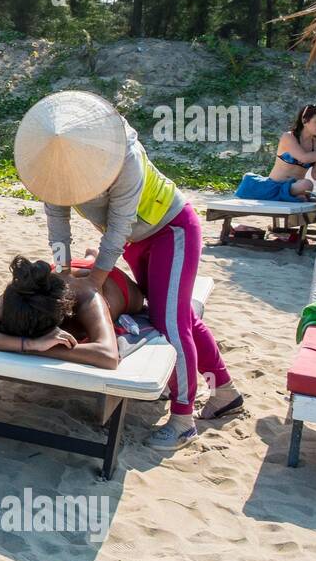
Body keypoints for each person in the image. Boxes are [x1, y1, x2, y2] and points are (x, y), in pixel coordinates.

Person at [15, 90, 242, 449]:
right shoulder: (53, 162)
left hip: (171, 230)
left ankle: (183, 420)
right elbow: (57, 221)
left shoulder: (124, 156)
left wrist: (92, 282)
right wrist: (62, 269)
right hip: (137, 241)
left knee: (171, 321)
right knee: (177, 316)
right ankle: (224, 392)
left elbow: (119, 226)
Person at [0, 253, 145, 370]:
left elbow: (108, 356)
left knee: (139, 300)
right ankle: (89, 257)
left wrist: (43, 348)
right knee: (75, 266)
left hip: (117, 286)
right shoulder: (22, 292)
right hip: (60, 272)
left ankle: (91, 258)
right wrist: (30, 345)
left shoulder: (88, 297)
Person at [234, 104, 316, 202]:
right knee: (306, 186)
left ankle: (292, 195)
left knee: (307, 184)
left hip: (294, 187)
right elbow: (304, 158)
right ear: (305, 121)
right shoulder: (288, 137)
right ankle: (289, 196)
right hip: (274, 185)